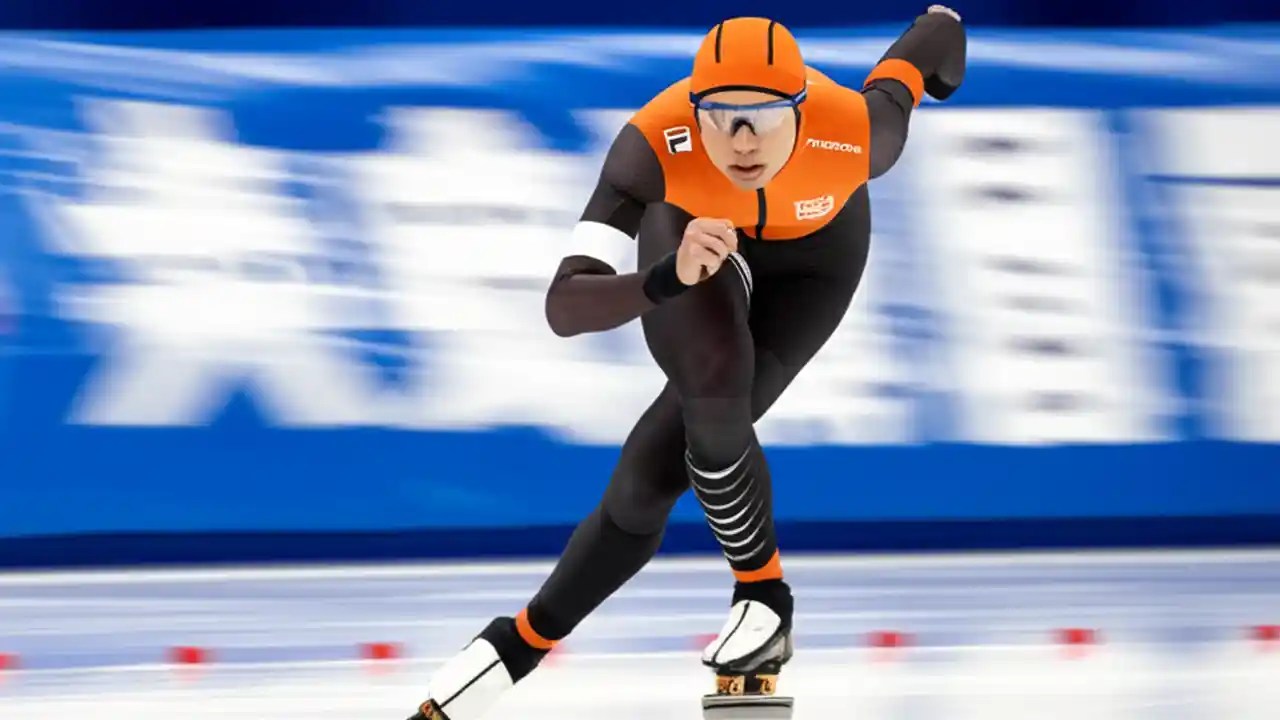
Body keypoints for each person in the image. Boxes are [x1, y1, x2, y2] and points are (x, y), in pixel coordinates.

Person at [407, 8, 966, 719]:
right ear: (692, 113)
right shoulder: (650, 147)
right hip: (695, 241)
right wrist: (666, 277)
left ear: (802, 110)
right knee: (713, 377)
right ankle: (763, 596)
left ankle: (521, 642)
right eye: (721, 117)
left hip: (815, 263)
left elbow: (914, 60)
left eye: (765, 117)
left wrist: (943, 31)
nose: (742, 141)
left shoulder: (856, 131)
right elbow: (565, 306)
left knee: (650, 476)